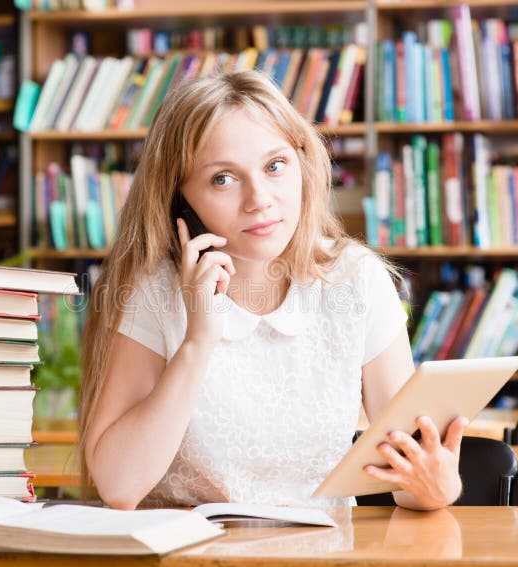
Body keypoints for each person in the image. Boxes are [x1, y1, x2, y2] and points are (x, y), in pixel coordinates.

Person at [80, 70, 466, 511]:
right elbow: (118, 486)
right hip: (196, 555)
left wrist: (438, 487)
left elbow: (407, 476)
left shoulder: (356, 278)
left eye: (274, 166)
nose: (259, 199)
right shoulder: (156, 291)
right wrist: (197, 340)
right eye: (222, 179)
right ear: (181, 201)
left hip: (323, 556)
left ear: (302, 165)